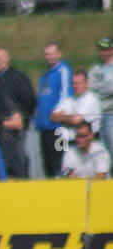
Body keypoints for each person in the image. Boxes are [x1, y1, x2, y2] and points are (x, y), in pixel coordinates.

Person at [0, 47, 33, 178]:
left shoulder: (18, 77)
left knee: (18, 161)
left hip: (17, 130)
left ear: (7, 59)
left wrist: (23, 119)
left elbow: (30, 100)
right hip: (0, 129)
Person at [36, 43, 73, 178]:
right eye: (46, 54)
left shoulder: (63, 71)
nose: (48, 57)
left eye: (51, 53)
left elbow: (66, 94)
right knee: (47, 164)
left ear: (59, 54)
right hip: (44, 126)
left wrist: (58, 111)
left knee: (59, 161)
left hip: (58, 127)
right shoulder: (45, 75)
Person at [52, 70, 102, 151]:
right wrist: (70, 118)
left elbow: (76, 120)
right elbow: (53, 116)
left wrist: (62, 118)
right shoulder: (69, 99)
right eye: (74, 83)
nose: (76, 86)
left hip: (86, 143)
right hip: (67, 143)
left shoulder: (91, 99)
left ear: (87, 84)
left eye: (79, 83)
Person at [88, 37, 113, 143]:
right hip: (97, 114)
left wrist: (99, 89)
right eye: (100, 49)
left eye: (105, 49)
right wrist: (105, 88)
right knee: (100, 149)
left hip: (111, 113)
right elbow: (90, 88)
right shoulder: (95, 69)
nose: (102, 52)